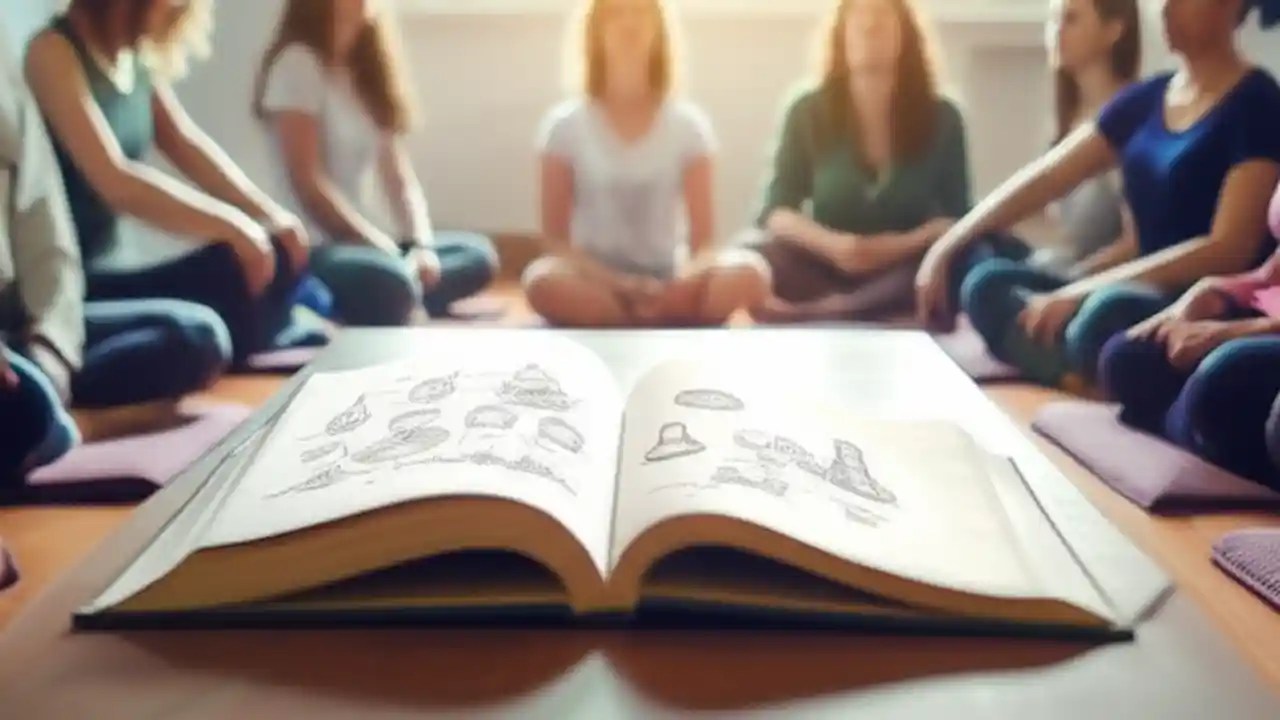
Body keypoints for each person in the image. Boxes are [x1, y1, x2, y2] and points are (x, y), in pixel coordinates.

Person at [916, 0, 1280, 389]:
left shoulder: (1256, 102)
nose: (1167, 8)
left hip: (1188, 302)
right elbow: (1046, 178)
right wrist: (951, 242)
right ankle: (1084, 374)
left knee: (1101, 315)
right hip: (1129, 281)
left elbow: (1228, 248)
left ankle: (1086, 367)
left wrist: (1082, 290)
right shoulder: (1148, 97)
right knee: (986, 283)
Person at [25, 0, 324, 368]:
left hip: (122, 268)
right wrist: (233, 226)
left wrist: (267, 215)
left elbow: (186, 143)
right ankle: (270, 330)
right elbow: (114, 180)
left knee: (269, 252)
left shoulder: (133, 60)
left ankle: (270, 329)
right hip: (76, 285)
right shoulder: (52, 51)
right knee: (198, 335)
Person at [1, 37, 228, 480]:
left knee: (196, 336)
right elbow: (116, 181)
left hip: (24, 328)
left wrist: (52, 345)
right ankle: (59, 425)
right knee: (28, 409)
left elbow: (48, 233)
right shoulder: (52, 51)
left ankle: (55, 416)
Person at [523, 0, 770, 327]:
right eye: (616, 14)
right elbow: (555, 241)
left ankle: (647, 314)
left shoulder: (688, 126)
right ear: (595, 30)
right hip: (595, 280)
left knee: (751, 272)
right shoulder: (564, 127)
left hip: (668, 277)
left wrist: (675, 286)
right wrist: (618, 285)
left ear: (659, 29)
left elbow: (704, 243)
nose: (629, 24)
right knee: (540, 280)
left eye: (640, 12)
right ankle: (643, 315)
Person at [254, 0, 499, 324]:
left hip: (377, 245)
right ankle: (393, 290)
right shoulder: (297, 64)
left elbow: (400, 179)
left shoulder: (364, 72)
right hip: (321, 248)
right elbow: (309, 183)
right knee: (388, 282)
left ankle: (405, 289)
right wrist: (383, 249)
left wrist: (419, 246)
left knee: (477, 255)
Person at [745, 0, 973, 322]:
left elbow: (957, 218)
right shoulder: (806, 110)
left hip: (903, 267)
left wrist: (890, 247)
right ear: (841, 34)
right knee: (752, 255)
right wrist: (841, 248)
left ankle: (825, 313)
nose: (869, 28)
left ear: (905, 34)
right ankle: (857, 310)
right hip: (822, 264)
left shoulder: (944, 117)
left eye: (881, 17)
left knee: (963, 262)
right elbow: (776, 211)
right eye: (859, 17)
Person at [1097, 181, 1280, 488]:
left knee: (1222, 379)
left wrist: (1234, 332)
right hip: (1267, 313)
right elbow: (1272, 273)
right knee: (1126, 357)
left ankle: (1195, 423)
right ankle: (1201, 430)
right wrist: (1214, 292)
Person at [962, 0, 1141, 289]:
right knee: (973, 251)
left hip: (1094, 276)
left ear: (1113, 30)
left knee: (986, 283)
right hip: (1060, 262)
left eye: (1071, 20)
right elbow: (1053, 225)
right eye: (1053, 20)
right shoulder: (1068, 119)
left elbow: (1135, 245)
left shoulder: (1134, 117)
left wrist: (1071, 280)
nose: (1056, 31)